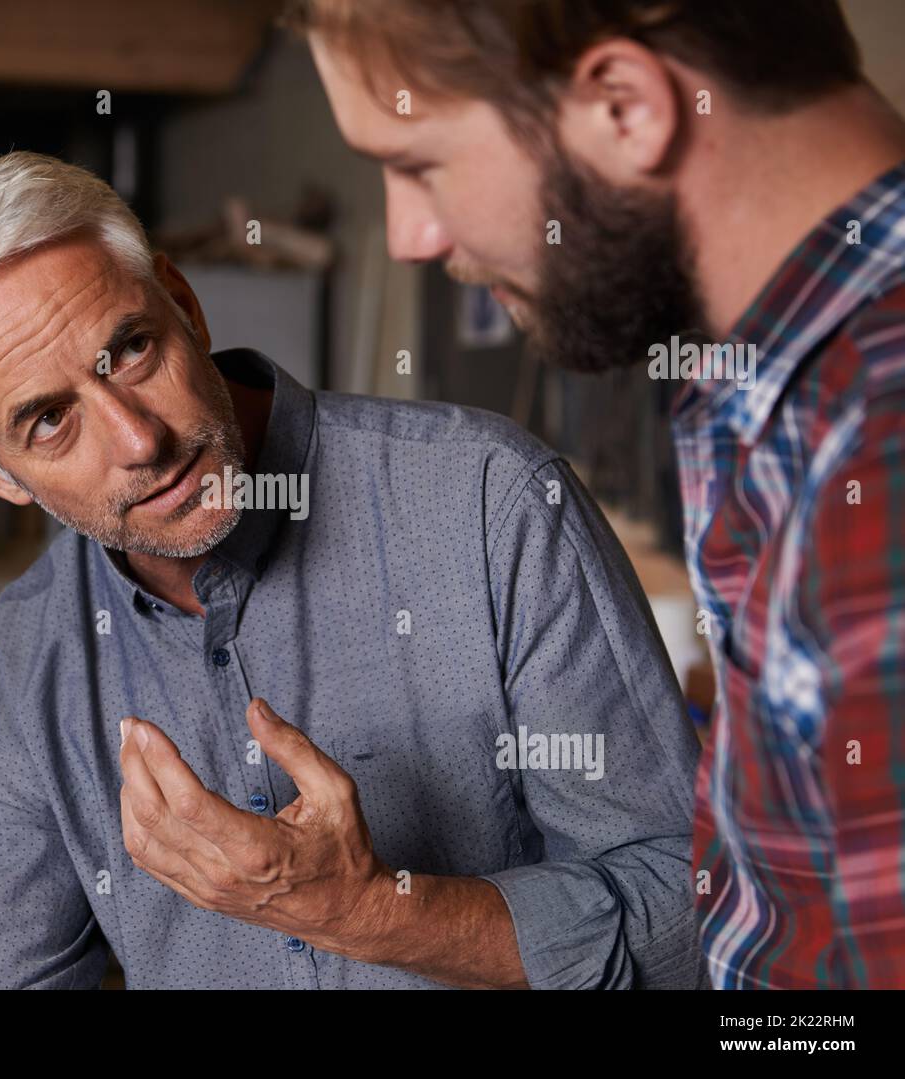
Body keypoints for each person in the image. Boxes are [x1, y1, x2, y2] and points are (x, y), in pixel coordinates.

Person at [0, 150, 705, 989]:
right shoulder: (24, 659)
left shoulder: (491, 506)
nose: (139, 440)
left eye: (133, 349)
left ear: (184, 304)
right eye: (48, 421)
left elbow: (696, 910)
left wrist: (366, 912)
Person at [290, 0, 905, 988]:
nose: (409, 235)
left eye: (418, 164)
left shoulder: (876, 454)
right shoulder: (765, 392)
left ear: (624, 106)